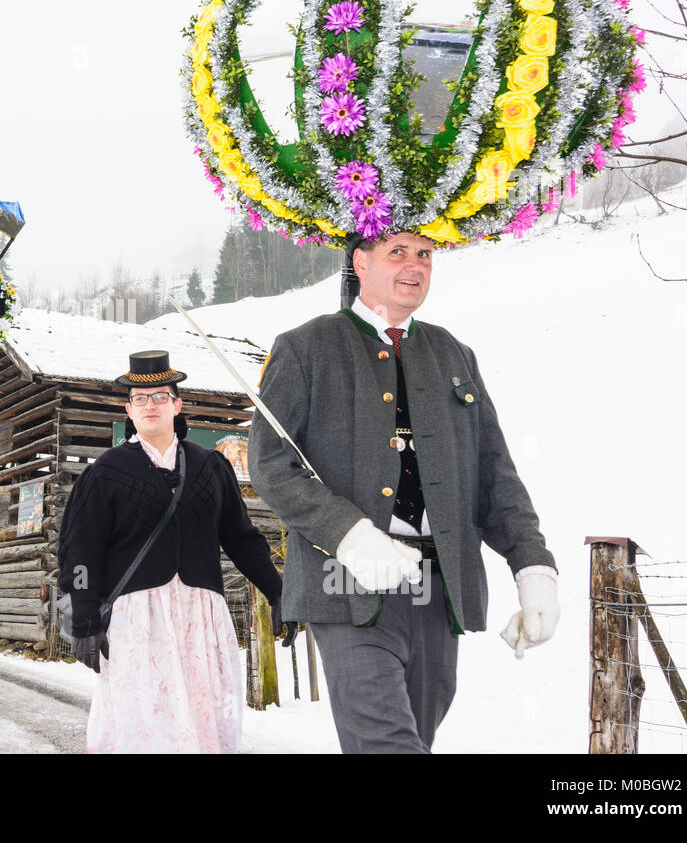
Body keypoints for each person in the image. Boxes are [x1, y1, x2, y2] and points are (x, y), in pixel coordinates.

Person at [248, 231, 560, 754]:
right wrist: (347, 535)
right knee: (387, 745)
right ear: (361, 262)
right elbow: (271, 464)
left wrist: (533, 568)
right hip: (346, 587)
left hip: (439, 591)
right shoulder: (305, 347)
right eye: (398, 253)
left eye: (425, 255)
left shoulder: (454, 354)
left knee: (416, 738)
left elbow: (494, 475)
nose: (414, 266)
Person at [57, 350, 283, 753]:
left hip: (202, 618)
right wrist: (86, 621)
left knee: (202, 719)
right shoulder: (104, 472)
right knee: (143, 720)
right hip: (137, 621)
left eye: (159, 396)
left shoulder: (210, 466)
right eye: (140, 399)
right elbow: (80, 551)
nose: (150, 405)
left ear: (177, 405)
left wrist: (277, 590)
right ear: (128, 409)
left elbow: (241, 537)